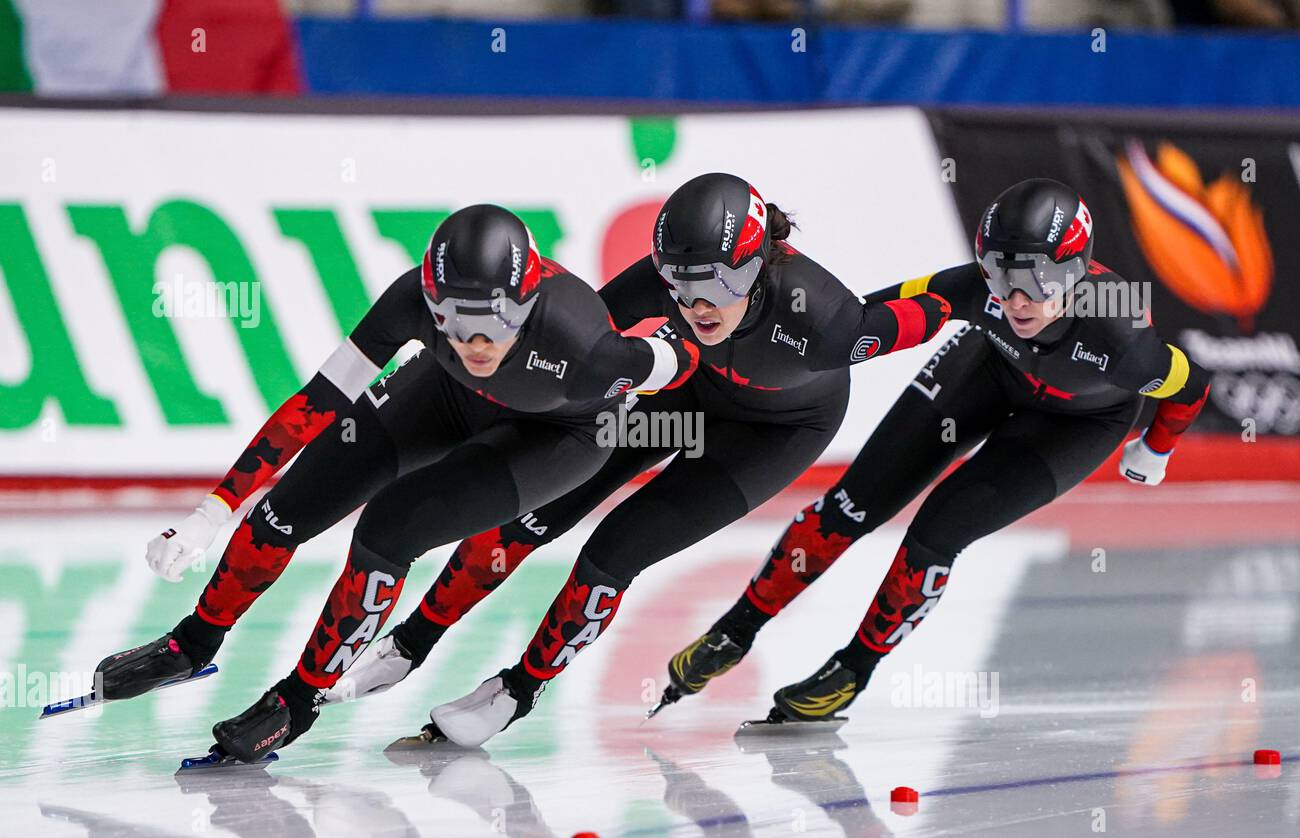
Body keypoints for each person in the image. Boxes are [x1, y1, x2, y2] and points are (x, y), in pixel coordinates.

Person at [332, 172, 953, 748]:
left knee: (615, 551)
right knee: (538, 509)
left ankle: (520, 688)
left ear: (759, 265)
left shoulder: (825, 320)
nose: (699, 305)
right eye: (682, 286)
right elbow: (573, 337)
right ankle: (413, 639)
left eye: (720, 286)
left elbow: (943, 303)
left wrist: (1007, 287)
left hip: (773, 435)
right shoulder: (670, 281)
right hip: (682, 394)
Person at [91, 205, 697, 749]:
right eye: (455, 321)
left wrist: (682, 334)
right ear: (431, 302)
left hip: (558, 435)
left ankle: (299, 703)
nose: (476, 340)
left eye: (494, 320)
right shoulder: (411, 298)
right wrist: (213, 511)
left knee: (388, 531)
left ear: (527, 303)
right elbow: (319, 400)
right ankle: (193, 642)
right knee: (286, 507)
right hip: (447, 395)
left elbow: (680, 358)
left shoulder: (582, 342)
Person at [657, 177, 1211, 725]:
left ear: (1074, 272)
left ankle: (854, 669)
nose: (1014, 297)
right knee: (851, 505)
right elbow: (865, 316)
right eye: (998, 273)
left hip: (1081, 420)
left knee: (938, 532)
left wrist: (1156, 448)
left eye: (1036, 281)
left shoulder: (1123, 337)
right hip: (989, 368)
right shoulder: (977, 290)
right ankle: (734, 631)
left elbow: (1193, 387)